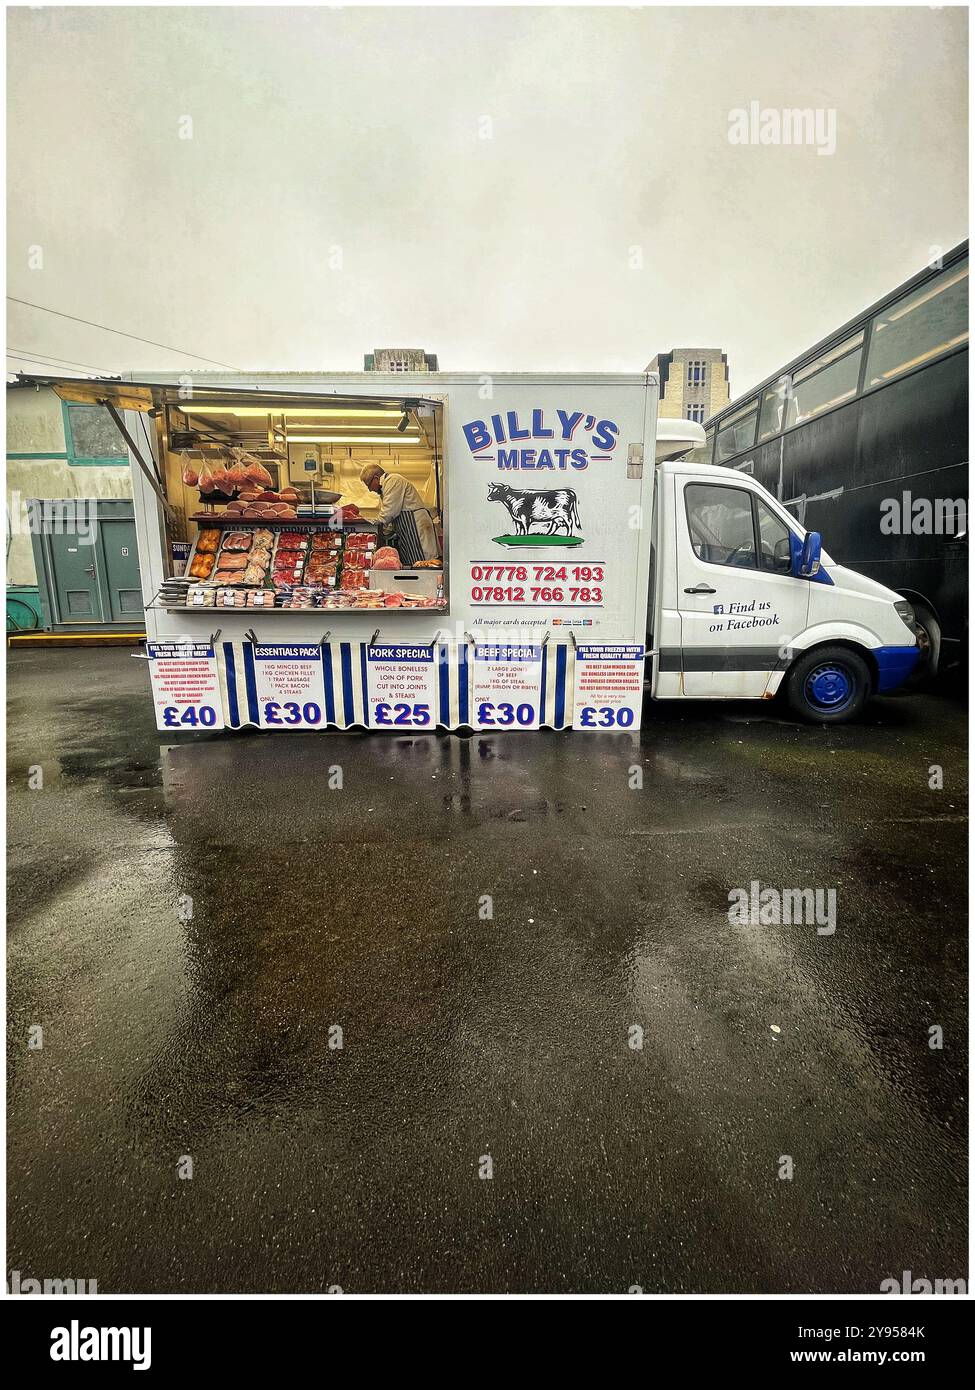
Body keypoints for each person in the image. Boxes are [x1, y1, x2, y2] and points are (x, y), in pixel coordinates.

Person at [359, 463, 441, 565]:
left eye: (368, 485)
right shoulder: (386, 487)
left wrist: (370, 526)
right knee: (413, 564)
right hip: (409, 530)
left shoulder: (393, 480)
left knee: (424, 564)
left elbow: (388, 513)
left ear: (376, 478)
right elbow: (391, 519)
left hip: (416, 528)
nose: (370, 490)